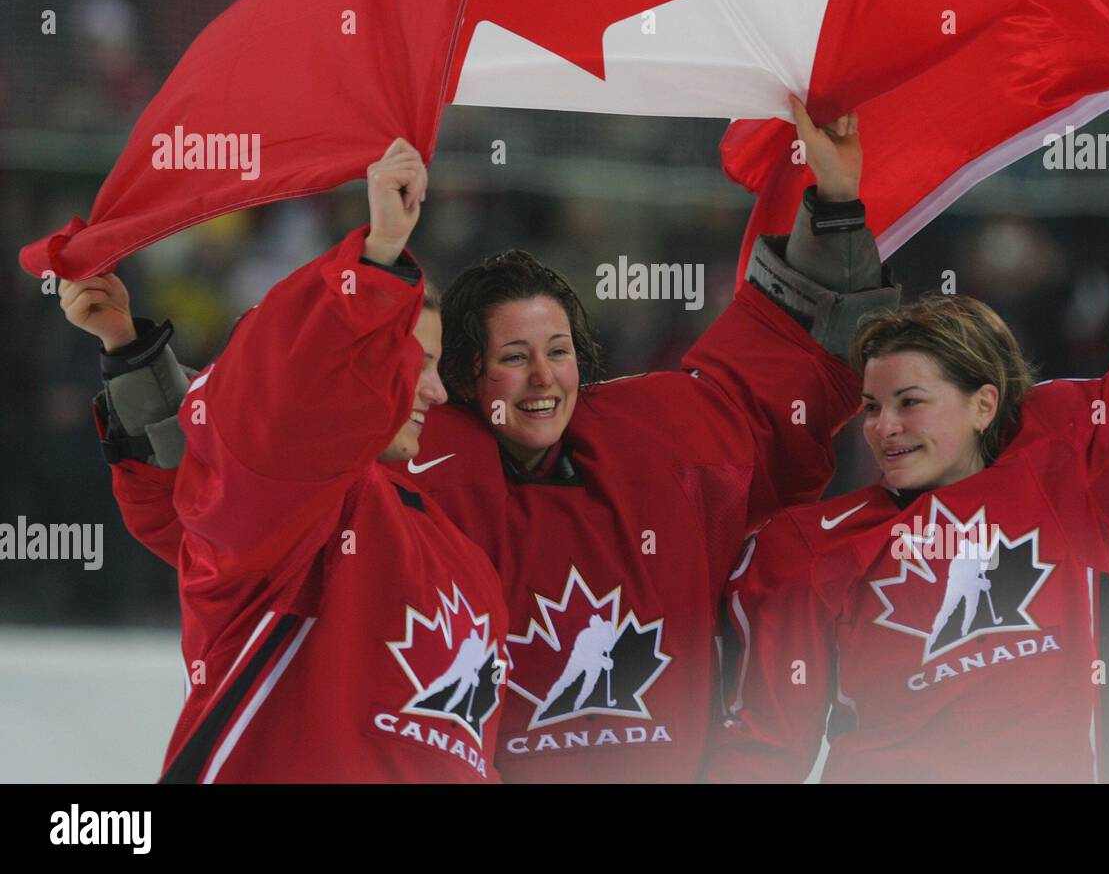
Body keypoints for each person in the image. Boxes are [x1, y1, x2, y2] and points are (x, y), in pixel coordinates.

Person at [78, 96, 901, 782]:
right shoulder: (381, 483)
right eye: (513, 357)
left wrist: (832, 207)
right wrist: (374, 259)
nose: (544, 379)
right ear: (464, 378)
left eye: (560, 352)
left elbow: (776, 391)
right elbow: (229, 476)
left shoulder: (661, 447)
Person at [703, 58, 1109, 783]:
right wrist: (836, 201)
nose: (883, 426)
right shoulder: (813, 550)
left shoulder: (1067, 466)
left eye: (911, 402)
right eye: (874, 406)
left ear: (984, 404)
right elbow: (760, 748)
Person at [61, 140, 511, 782]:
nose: (437, 392)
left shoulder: (464, 558)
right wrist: (378, 256)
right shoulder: (308, 505)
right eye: (421, 364)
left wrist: (130, 352)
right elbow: (266, 436)